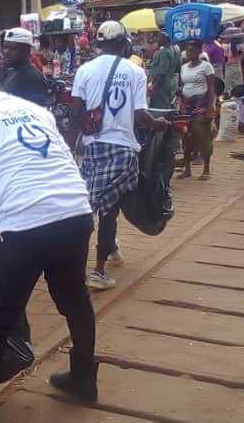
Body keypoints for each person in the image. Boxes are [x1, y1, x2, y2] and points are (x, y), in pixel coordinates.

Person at [0, 60, 98, 422]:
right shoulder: (34, 109)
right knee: (75, 300)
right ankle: (84, 379)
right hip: (75, 211)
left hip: (27, 226)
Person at [71, 22, 169, 290]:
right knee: (109, 212)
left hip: (93, 147)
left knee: (88, 206)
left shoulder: (84, 70)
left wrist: (68, 149)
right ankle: (98, 271)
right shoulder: (135, 71)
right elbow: (140, 114)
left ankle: (85, 261)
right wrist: (158, 124)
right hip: (123, 147)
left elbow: (75, 113)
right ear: (124, 43)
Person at [178, 40, 216, 180]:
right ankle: (187, 168)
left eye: (192, 51)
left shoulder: (206, 67)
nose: (189, 53)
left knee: (203, 135)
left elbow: (211, 87)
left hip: (201, 104)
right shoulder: (184, 67)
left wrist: (210, 109)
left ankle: (206, 169)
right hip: (186, 104)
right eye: (188, 51)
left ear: (199, 52)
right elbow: (182, 85)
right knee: (186, 135)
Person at [0, 28, 49, 106]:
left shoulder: (33, 79)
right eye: (5, 47)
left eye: (13, 48)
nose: (6, 52)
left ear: (27, 50)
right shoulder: (11, 72)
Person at [149, 32, 179, 109]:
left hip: (162, 85)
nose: (157, 40)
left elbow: (162, 73)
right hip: (170, 82)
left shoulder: (164, 52)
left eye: (159, 38)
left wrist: (154, 87)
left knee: (160, 107)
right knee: (168, 104)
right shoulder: (174, 49)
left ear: (164, 39)